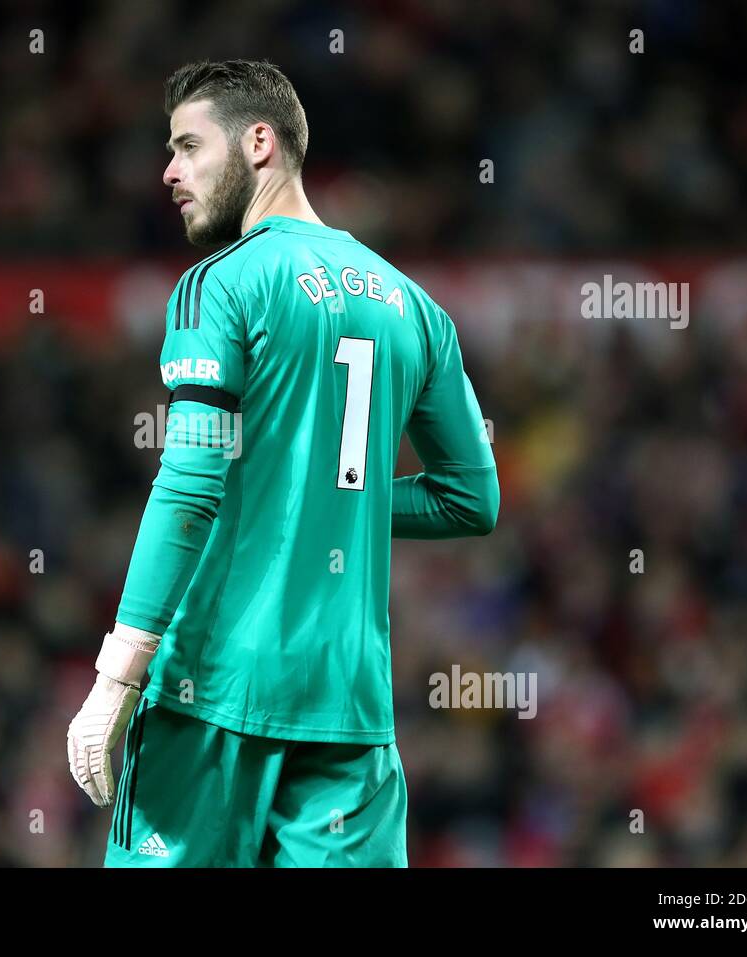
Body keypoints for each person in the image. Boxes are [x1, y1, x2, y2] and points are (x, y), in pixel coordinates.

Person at [67, 59, 500, 867]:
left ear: (259, 142)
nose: (168, 172)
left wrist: (115, 676)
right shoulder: (416, 306)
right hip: (350, 715)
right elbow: (471, 498)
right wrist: (334, 501)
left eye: (188, 146)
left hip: (213, 695)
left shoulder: (220, 285)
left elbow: (191, 485)